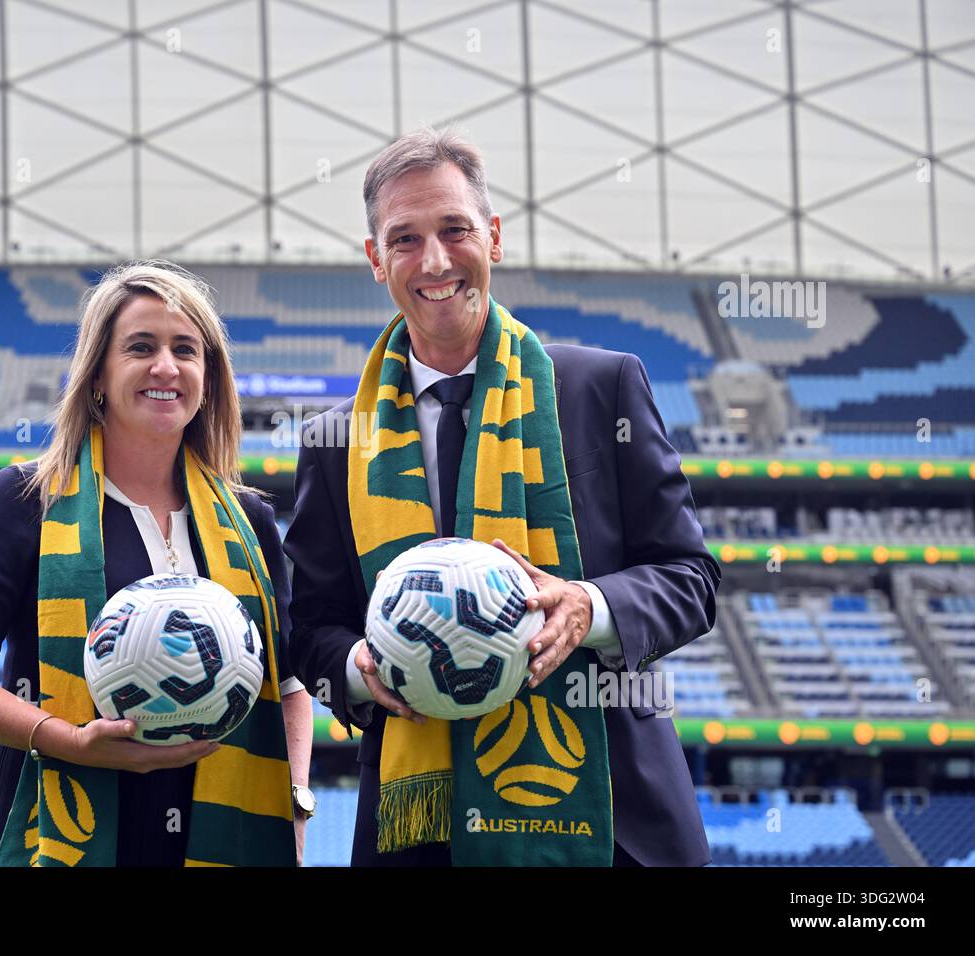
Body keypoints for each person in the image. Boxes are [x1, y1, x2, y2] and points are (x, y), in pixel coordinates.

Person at [285, 128, 721, 866]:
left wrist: (590, 607)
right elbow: (312, 627)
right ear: (374, 261)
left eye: (454, 229)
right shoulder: (336, 439)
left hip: (616, 818)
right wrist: (363, 663)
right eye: (404, 239)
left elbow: (691, 578)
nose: (434, 261)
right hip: (424, 828)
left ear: (493, 238)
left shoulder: (599, 387)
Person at [0, 261, 314, 867]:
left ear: (208, 376)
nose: (166, 366)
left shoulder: (249, 519)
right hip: (51, 828)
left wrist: (296, 802)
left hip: (218, 838)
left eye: (186, 349)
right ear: (99, 373)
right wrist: (69, 742)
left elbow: (286, 685)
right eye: (140, 347)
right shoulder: (25, 501)